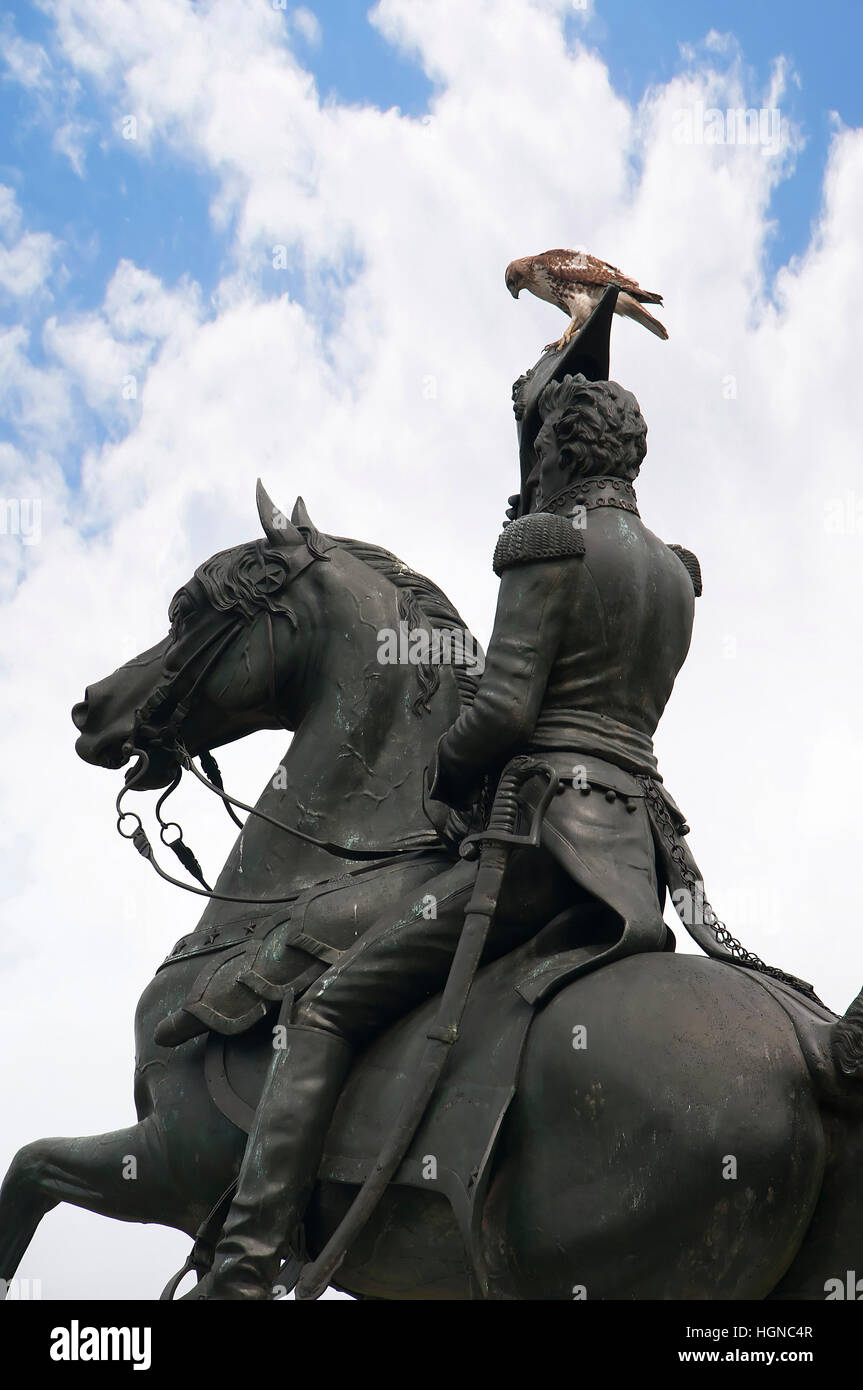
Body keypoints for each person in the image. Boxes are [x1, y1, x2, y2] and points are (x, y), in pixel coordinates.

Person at [183, 373, 700, 1299]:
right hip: (637, 855)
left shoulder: (543, 544)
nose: (533, 462)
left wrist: (445, 776)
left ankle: (242, 1276)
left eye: (540, 449)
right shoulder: (675, 573)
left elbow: (503, 711)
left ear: (555, 453)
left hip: (541, 843)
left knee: (330, 1007)